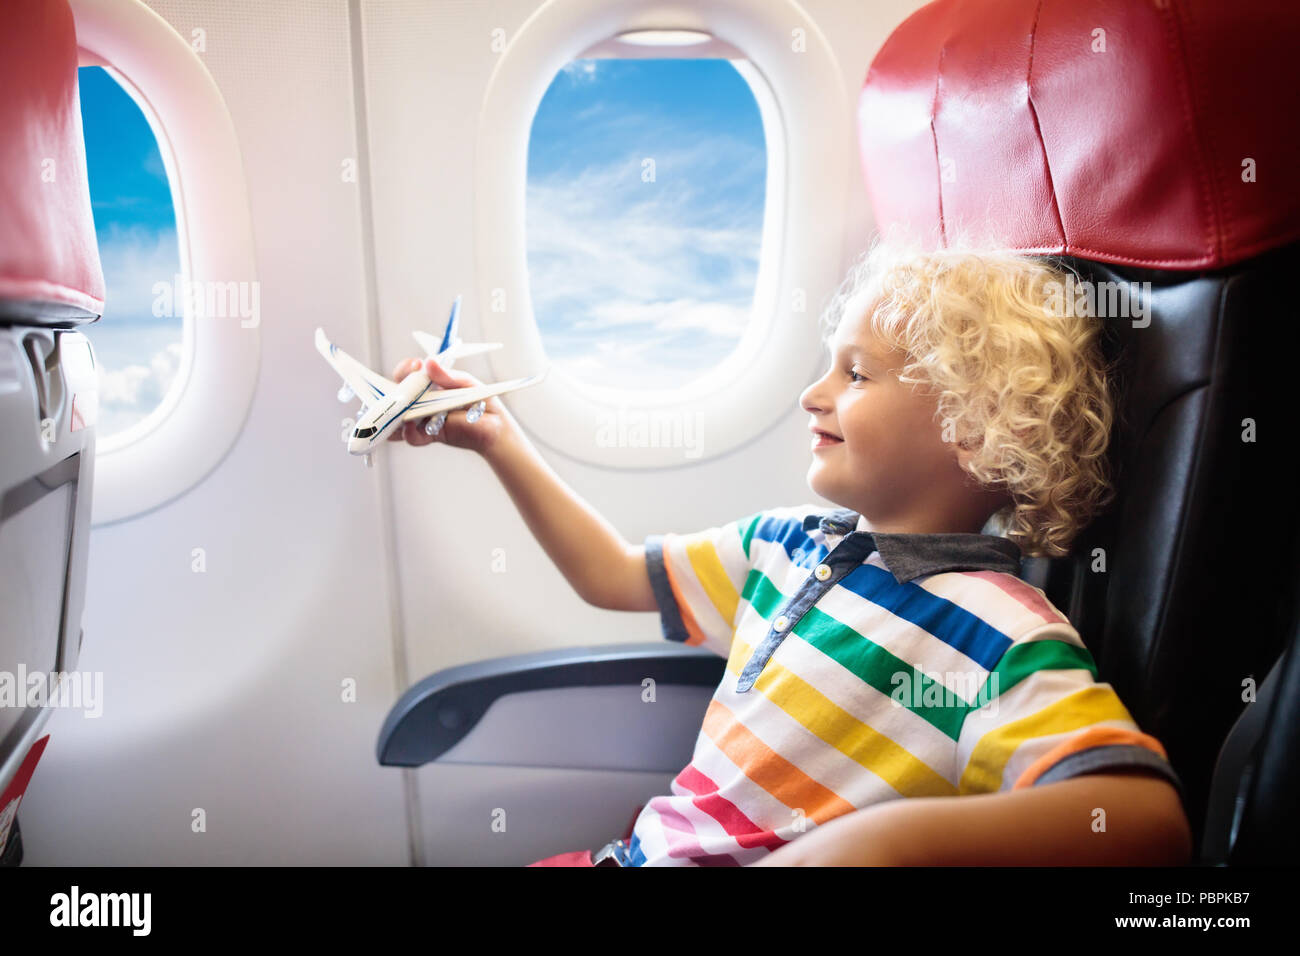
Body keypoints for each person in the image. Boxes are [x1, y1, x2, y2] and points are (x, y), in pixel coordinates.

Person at [388, 241, 1193, 866]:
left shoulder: (998, 636)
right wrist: (497, 438)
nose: (814, 393)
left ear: (976, 426)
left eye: (856, 373)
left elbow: (1144, 823)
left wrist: (885, 844)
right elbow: (610, 574)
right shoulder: (785, 544)